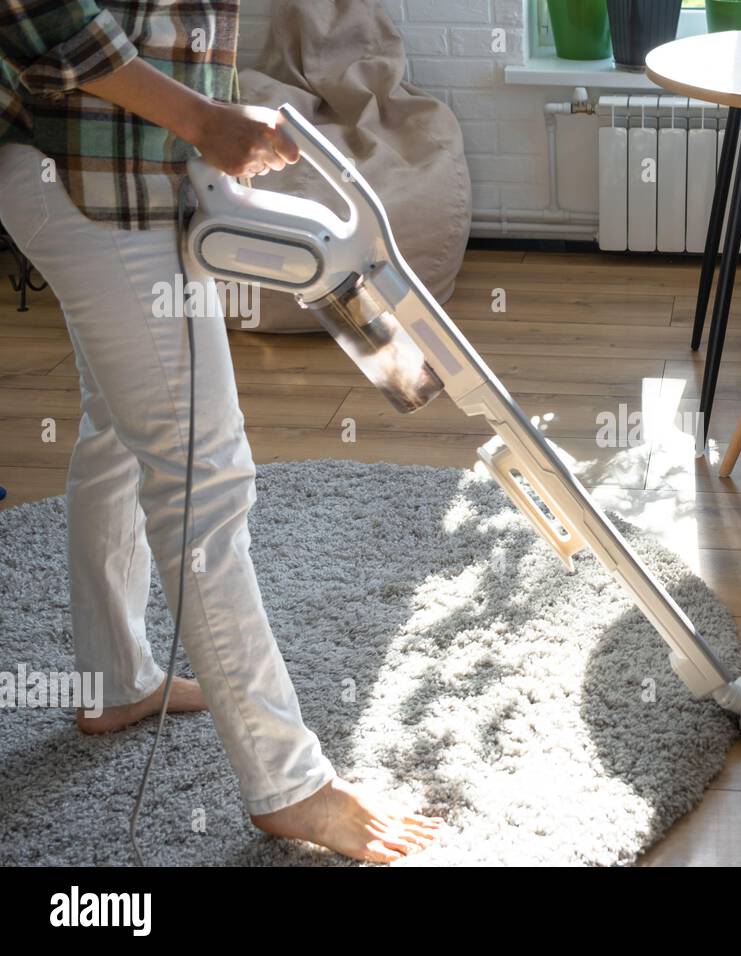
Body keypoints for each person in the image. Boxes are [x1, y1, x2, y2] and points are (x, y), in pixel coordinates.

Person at [0, 0, 439, 863]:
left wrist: (209, 131)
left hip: (126, 171)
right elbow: (47, 14)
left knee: (120, 430)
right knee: (202, 476)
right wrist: (203, 120)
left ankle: (114, 680)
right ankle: (290, 785)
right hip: (93, 181)